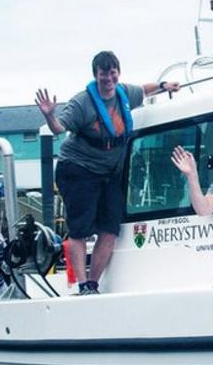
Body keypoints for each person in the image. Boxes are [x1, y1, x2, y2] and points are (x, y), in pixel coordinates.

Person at [34, 50, 178, 296]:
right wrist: (49, 114)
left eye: (113, 73)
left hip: (107, 171)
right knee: (79, 228)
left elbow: (144, 90)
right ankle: (82, 284)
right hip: (78, 168)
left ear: (118, 74)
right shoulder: (82, 103)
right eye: (103, 74)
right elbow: (59, 129)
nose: (108, 79)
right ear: (96, 76)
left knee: (111, 228)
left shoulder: (124, 93)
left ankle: (93, 283)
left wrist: (165, 85)